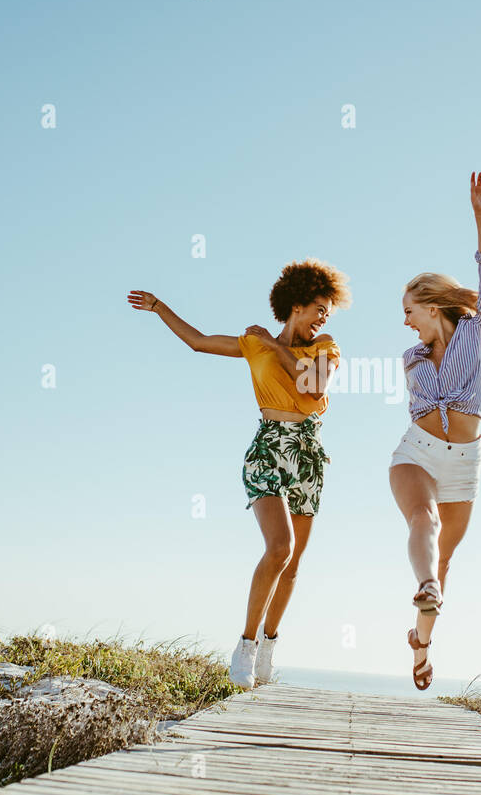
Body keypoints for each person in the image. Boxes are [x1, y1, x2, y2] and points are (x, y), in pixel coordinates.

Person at [128, 259, 350, 688]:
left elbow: (313, 387)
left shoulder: (326, 348)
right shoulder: (256, 345)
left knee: (293, 564)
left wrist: (274, 343)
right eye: (320, 308)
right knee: (279, 547)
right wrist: (159, 307)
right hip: (268, 448)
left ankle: (269, 645)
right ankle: (245, 647)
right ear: (297, 305)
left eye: (327, 311)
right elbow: (198, 341)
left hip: (306, 454)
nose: (324, 317)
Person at [388, 171, 481, 690]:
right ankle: (423, 586)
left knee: (445, 560)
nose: (405, 323)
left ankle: (421, 645)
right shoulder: (411, 357)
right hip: (415, 452)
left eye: (409, 311)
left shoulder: (479, 336)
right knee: (423, 518)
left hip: (463, 463)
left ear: (431, 305)